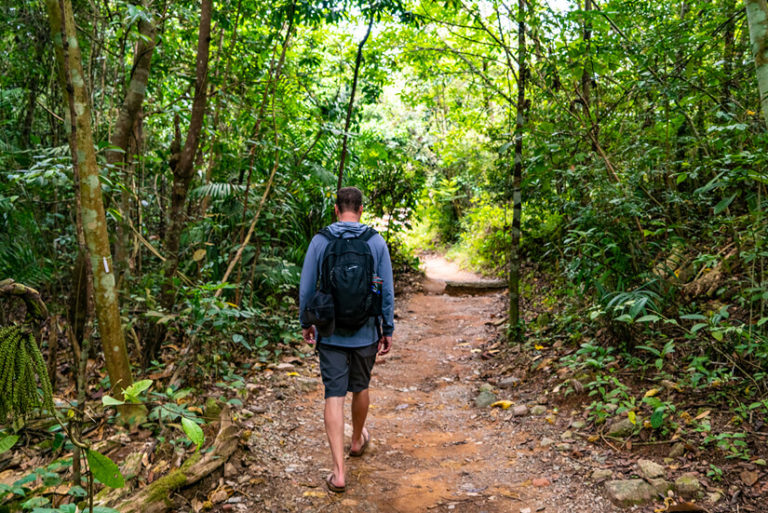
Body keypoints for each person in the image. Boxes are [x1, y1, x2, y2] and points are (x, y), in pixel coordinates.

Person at [299, 186, 394, 494]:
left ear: (336, 210)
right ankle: (356, 441)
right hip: (366, 330)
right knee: (361, 387)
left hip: (330, 331)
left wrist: (307, 323)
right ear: (361, 210)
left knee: (334, 394)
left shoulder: (321, 241)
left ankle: (339, 473)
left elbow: (306, 287)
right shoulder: (375, 241)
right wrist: (387, 328)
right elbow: (386, 289)